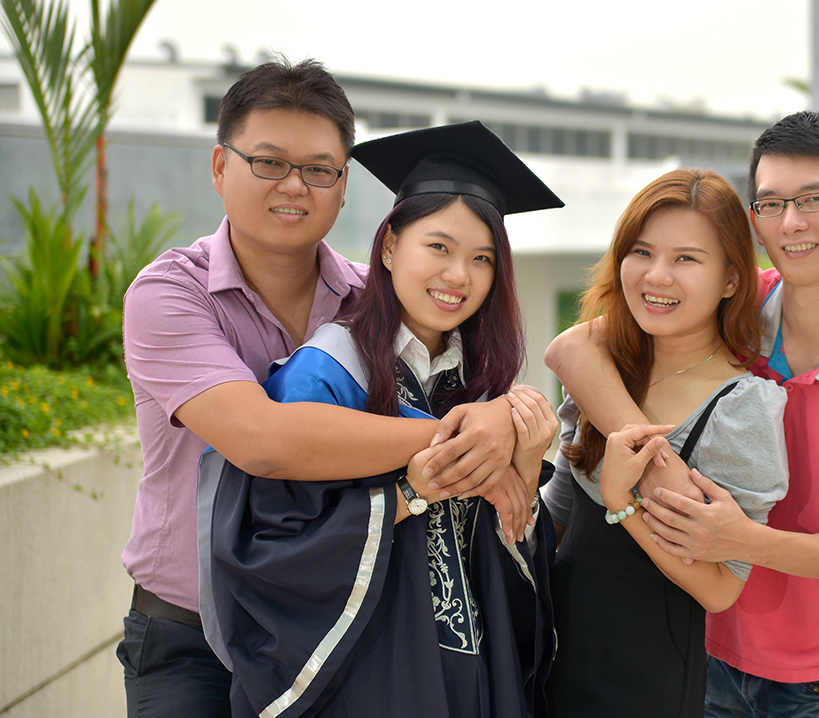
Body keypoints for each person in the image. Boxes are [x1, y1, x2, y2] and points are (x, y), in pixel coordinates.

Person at [119, 62, 532, 717]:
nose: (294, 185)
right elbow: (264, 441)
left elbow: (480, 377)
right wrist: (467, 445)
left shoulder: (381, 297)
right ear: (221, 167)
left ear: (343, 189)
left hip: (341, 619)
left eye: (319, 169)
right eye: (269, 162)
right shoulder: (171, 294)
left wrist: (508, 414)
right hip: (189, 633)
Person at [545, 110, 819, 718]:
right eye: (770, 203)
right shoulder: (726, 297)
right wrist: (642, 466)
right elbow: (578, 348)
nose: (791, 222)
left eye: (815, 199)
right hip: (697, 651)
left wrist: (741, 539)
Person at [198, 121, 563, 718]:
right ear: (390, 246)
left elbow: (515, 560)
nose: (458, 276)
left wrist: (523, 465)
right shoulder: (325, 375)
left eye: (481, 259)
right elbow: (270, 547)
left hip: (470, 674)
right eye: (438, 247)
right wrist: (415, 489)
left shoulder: (483, 386)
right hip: (364, 677)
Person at [542, 169, 788, 718]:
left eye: (686, 259)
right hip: (552, 651)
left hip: (642, 678)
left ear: (730, 280)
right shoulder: (609, 368)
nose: (657, 276)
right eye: (643, 251)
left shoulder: (740, 410)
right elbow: (558, 515)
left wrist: (624, 506)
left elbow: (722, 587)